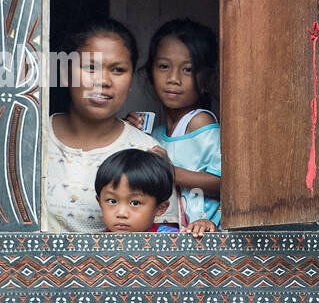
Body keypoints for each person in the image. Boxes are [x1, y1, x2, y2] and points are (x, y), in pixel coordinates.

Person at [45, 18, 180, 232]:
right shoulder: (32, 136)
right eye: (91, 67)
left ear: (131, 81)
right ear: (64, 72)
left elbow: (164, 239)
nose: (104, 81)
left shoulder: (145, 150)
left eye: (117, 70)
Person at [128, 18, 222, 227]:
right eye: (163, 66)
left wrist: (170, 173)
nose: (173, 78)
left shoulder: (199, 122)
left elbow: (225, 183)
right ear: (150, 73)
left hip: (205, 234)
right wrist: (128, 133)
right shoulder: (158, 134)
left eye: (187, 69)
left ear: (206, 79)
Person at [95, 149, 217, 236]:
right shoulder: (95, 244)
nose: (121, 213)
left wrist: (208, 229)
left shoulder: (171, 238)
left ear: (160, 208)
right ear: (100, 203)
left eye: (135, 203)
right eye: (112, 201)